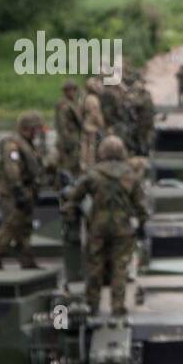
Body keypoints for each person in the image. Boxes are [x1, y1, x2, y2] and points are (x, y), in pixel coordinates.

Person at [63, 135, 148, 319]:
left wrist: (70, 215)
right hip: (122, 226)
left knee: (95, 265)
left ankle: (92, 305)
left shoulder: (93, 174)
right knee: (120, 266)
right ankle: (117, 306)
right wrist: (142, 223)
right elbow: (140, 204)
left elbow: (74, 197)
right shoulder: (130, 175)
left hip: (97, 226)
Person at [0, 111, 45, 270]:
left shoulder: (28, 144)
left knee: (25, 227)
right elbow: (12, 170)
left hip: (26, 190)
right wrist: (19, 191)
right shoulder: (12, 145)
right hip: (13, 193)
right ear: (26, 128)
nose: (37, 133)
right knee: (11, 226)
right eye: (35, 129)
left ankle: (27, 260)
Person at [54, 79, 83, 178]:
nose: (72, 92)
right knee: (66, 166)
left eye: (74, 90)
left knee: (75, 163)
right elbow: (61, 125)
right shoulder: (63, 105)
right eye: (70, 90)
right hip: (67, 140)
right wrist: (66, 141)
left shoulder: (73, 103)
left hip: (74, 138)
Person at [128, 72, 156, 156]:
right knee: (147, 135)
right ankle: (146, 150)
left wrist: (130, 99)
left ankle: (144, 151)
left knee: (142, 136)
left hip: (144, 120)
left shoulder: (143, 96)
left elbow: (137, 104)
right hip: (148, 119)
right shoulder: (147, 94)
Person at [81, 76, 106, 170]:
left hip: (85, 125)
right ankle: (90, 167)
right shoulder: (93, 99)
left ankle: (84, 165)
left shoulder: (84, 98)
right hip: (92, 127)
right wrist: (102, 125)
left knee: (84, 147)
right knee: (91, 149)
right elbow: (96, 115)